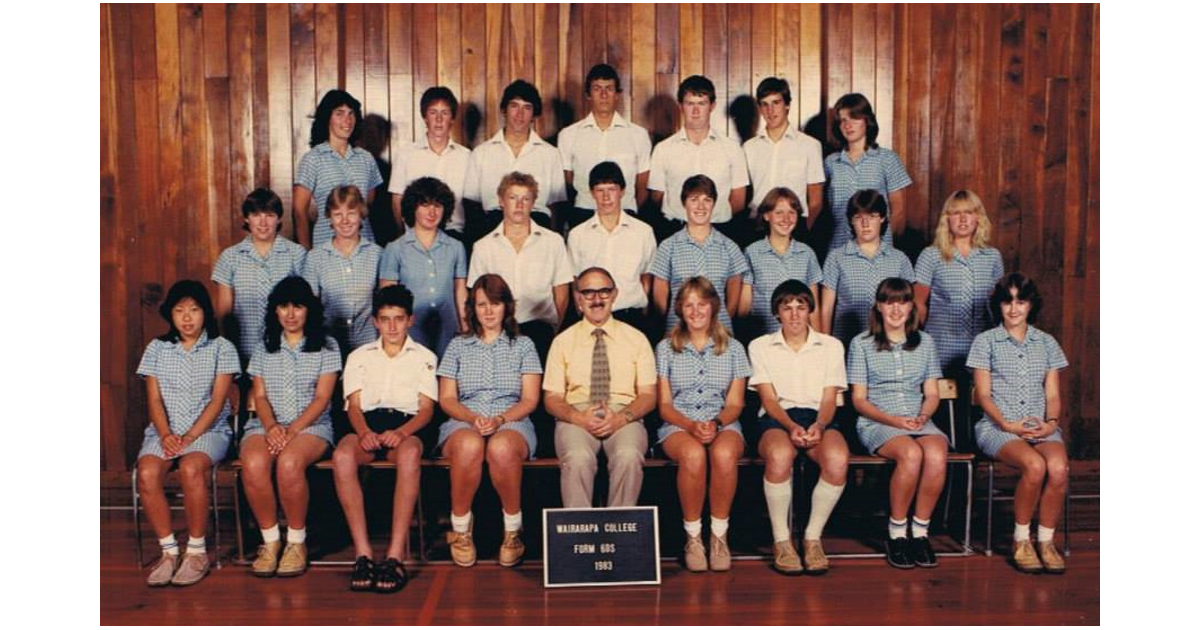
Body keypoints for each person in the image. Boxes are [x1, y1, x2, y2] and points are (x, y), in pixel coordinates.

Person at [331, 285, 435, 592]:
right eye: (385, 319)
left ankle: (394, 556)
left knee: (409, 455)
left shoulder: (424, 357)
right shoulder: (359, 356)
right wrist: (363, 433)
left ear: (410, 321)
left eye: (399, 319)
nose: (392, 326)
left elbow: (427, 409)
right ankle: (363, 553)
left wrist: (402, 432)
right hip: (368, 423)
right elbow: (354, 405)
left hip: (407, 425)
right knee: (343, 456)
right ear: (375, 321)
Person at [136, 280, 240, 587]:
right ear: (171, 314)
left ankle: (196, 553)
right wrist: (167, 434)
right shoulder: (157, 348)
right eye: (180, 310)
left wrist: (191, 436)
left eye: (194, 310)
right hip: (165, 431)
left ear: (205, 313)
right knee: (147, 472)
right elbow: (153, 399)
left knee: (191, 467)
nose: (187, 317)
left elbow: (219, 400)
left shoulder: (222, 348)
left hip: (208, 430)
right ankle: (169, 552)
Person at [437, 274, 544, 568]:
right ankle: (460, 532)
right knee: (470, 445)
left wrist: (499, 419)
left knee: (501, 448)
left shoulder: (524, 345)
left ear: (507, 307)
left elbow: (530, 400)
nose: (488, 311)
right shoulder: (458, 346)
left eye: (495, 303)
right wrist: (473, 418)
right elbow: (447, 399)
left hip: (511, 419)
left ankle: (512, 531)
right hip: (464, 419)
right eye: (481, 304)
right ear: (473, 308)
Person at [967, 273, 1070, 574]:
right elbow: (983, 396)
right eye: (1007, 301)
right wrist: (1008, 425)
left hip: (1041, 427)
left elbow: (1052, 394)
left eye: (1020, 301)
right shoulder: (985, 342)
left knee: (1058, 468)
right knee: (1035, 467)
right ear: (998, 305)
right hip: (998, 427)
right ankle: (1021, 540)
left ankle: (1046, 541)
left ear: (1030, 305)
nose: (1013, 309)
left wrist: (1051, 424)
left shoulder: (1047, 343)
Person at [241, 277, 342, 578]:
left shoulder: (327, 346)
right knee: (254, 460)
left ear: (308, 310)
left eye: (298, 306)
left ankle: (296, 542)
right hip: (267, 424)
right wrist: (272, 426)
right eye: (283, 306)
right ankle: (271, 541)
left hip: (312, 427)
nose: (290, 314)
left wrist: (292, 430)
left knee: (288, 463)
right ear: (275, 311)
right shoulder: (263, 348)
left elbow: (323, 398)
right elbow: (258, 395)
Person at [747, 280, 848, 575]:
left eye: (801, 307)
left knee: (838, 459)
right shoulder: (760, 346)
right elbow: (767, 397)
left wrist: (819, 424)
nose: (794, 315)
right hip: (777, 418)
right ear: (777, 312)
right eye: (786, 308)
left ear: (810, 311)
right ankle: (782, 541)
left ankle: (812, 538)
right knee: (779, 456)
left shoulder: (831, 346)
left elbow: (830, 398)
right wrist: (790, 425)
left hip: (820, 417)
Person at [847, 278, 947, 570]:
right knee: (911, 454)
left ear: (910, 307)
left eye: (902, 302)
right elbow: (859, 401)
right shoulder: (861, 343)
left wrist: (924, 416)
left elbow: (931, 394)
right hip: (878, 421)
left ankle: (919, 532)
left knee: (937, 453)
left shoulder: (925, 342)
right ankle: (896, 533)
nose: (896, 309)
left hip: (918, 419)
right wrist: (894, 421)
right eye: (889, 302)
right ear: (879, 307)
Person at [655, 277, 751, 572]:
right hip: (678, 424)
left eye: (702, 304)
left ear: (714, 307)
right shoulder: (665, 348)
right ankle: (693, 538)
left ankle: (719, 536)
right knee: (694, 455)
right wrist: (690, 425)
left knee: (723, 454)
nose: (696, 311)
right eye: (688, 305)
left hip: (722, 421)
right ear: (680, 310)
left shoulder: (734, 349)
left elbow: (735, 403)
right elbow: (664, 405)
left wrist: (716, 422)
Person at [544, 267, 657, 510]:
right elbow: (552, 398)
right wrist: (577, 417)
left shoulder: (636, 339)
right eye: (588, 293)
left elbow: (648, 395)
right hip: (576, 414)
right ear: (578, 298)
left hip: (624, 413)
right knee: (577, 458)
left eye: (604, 292)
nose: (596, 300)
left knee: (628, 455)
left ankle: (620, 533)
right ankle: (580, 537)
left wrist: (622, 418)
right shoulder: (562, 341)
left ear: (615, 294)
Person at [467, 171, 573, 361]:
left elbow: (562, 291)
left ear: (533, 203)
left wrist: (555, 329)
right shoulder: (483, 246)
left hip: (540, 330)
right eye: (513, 197)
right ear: (501, 201)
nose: (519, 205)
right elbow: (476, 295)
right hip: (498, 331)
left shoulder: (553, 242)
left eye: (526, 199)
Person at [213, 188, 308, 372]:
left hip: (286, 353)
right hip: (244, 352)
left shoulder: (297, 254)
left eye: (270, 215)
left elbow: (306, 306)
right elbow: (225, 315)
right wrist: (230, 357)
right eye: (256, 215)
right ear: (246, 219)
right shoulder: (230, 257)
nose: (263, 222)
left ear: (279, 218)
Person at [647, 75, 750, 243]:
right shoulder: (663, 149)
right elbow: (656, 197)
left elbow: (738, 198)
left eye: (701, 104)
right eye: (690, 104)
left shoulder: (731, 148)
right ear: (681, 106)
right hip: (674, 230)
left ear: (712, 106)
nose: (696, 111)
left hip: (720, 231)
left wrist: (711, 222)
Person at [914, 190, 1004, 374]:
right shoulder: (931, 255)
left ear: (978, 218)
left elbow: (998, 305)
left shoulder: (992, 257)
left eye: (969, 212)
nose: (963, 219)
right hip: (941, 346)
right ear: (947, 219)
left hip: (981, 346)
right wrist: (916, 342)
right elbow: (918, 303)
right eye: (956, 213)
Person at [463, 80, 567, 238]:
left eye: (527, 108)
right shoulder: (481, 153)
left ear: (534, 114)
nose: (520, 114)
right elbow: (471, 206)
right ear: (504, 110)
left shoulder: (550, 155)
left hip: (538, 230)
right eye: (514, 106)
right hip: (492, 230)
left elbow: (558, 206)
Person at [379, 176, 468, 358]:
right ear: (413, 208)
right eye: (425, 205)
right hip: (411, 330)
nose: (432, 212)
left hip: (448, 327)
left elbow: (460, 291)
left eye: (437, 206)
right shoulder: (395, 248)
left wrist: (465, 328)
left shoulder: (456, 247)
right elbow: (387, 298)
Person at [650, 174, 748, 335]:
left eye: (707, 200)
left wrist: (720, 321)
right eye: (694, 199)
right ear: (684, 203)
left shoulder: (729, 247)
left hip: (719, 331)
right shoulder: (668, 247)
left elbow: (733, 292)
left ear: (714, 204)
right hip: (677, 330)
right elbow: (660, 297)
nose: (700, 206)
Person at [558, 63, 653, 228]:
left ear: (617, 94)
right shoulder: (569, 135)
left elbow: (642, 185)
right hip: (584, 214)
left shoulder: (638, 135)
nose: (603, 95)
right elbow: (566, 183)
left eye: (609, 88)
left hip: (626, 215)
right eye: (597, 89)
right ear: (588, 95)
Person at [566, 162, 657, 329]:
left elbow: (647, 277)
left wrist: (641, 307)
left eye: (612, 189)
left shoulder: (643, 232)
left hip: (632, 316)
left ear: (622, 191)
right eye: (600, 190)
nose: (606, 197)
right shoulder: (577, 235)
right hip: (592, 317)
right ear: (592, 193)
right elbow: (575, 280)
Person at [820, 189, 915, 349]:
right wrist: (825, 346)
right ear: (851, 221)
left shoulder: (899, 259)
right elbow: (826, 308)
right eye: (858, 217)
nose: (865, 224)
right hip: (846, 343)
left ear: (883, 218)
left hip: (889, 345)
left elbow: (910, 306)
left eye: (872, 216)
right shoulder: (836, 257)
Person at [294, 89, 384, 248]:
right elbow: (299, 211)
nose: (347, 120)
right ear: (327, 118)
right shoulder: (313, 159)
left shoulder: (366, 159)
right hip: (326, 248)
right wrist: (307, 254)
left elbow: (369, 204)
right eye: (339, 114)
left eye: (351, 114)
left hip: (365, 247)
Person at [825, 93, 912, 252]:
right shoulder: (830, 163)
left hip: (877, 248)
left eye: (854, 118)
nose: (848, 125)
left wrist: (884, 245)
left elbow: (898, 210)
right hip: (839, 246)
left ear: (867, 121)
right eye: (843, 120)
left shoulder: (887, 159)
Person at [303, 185, 381, 356]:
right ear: (329, 218)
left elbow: (384, 306)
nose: (345, 220)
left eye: (351, 213)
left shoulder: (377, 255)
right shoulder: (315, 258)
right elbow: (310, 309)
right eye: (338, 214)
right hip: (328, 349)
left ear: (361, 215)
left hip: (370, 348)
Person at [388, 87, 472, 241]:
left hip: (455, 235)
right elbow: (397, 199)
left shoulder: (467, 157)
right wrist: (403, 237)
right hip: (416, 235)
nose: (439, 119)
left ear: (452, 118)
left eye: (445, 113)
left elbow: (473, 205)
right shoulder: (406, 154)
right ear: (425, 117)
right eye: (433, 112)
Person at [738, 187, 824, 340]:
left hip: (799, 340)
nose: (786, 219)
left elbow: (814, 307)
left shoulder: (807, 254)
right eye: (779, 213)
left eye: (791, 212)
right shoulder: (752, 253)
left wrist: (819, 341)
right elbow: (745, 305)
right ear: (766, 215)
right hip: (764, 340)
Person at [742, 78, 825, 235]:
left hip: (795, 227)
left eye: (776, 103)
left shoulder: (809, 145)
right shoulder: (749, 148)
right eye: (765, 104)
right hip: (758, 225)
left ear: (787, 105)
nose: (770, 110)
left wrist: (804, 230)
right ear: (759, 108)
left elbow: (816, 201)